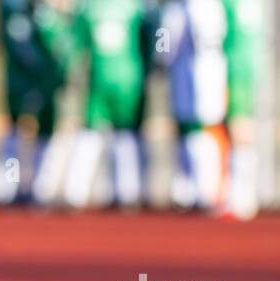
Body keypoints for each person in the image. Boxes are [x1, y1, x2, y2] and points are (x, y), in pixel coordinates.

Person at [64, 0, 149, 208]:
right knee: (94, 135)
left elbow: (150, 41)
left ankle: (125, 192)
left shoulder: (136, 7)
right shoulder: (90, 7)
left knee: (122, 135)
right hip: (109, 81)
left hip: (125, 80)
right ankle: (80, 193)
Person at [0, 0, 72, 205]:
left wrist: (58, 75)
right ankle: (9, 187)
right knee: (14, 133)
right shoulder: (14, 10)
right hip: (21, 83)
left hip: (46, 83)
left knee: (45, 133)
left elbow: (62, 45)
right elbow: (22, 47)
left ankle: (41, 188)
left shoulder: (47, 14)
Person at [156, 0, 229, 211]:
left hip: (190, 71)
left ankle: (198, 190)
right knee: (207, 129)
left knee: (194, 130)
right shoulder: (215, 6)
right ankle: (198, 189)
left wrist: (160, 63)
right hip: (214, 68)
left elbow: (166, 45)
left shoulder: (180, 9)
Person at [219, 0, 261, 219]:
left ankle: (241, 195)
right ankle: (240, 193)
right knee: (239, 126)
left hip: (234, 67)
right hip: (247, 65)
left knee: (238, 127)